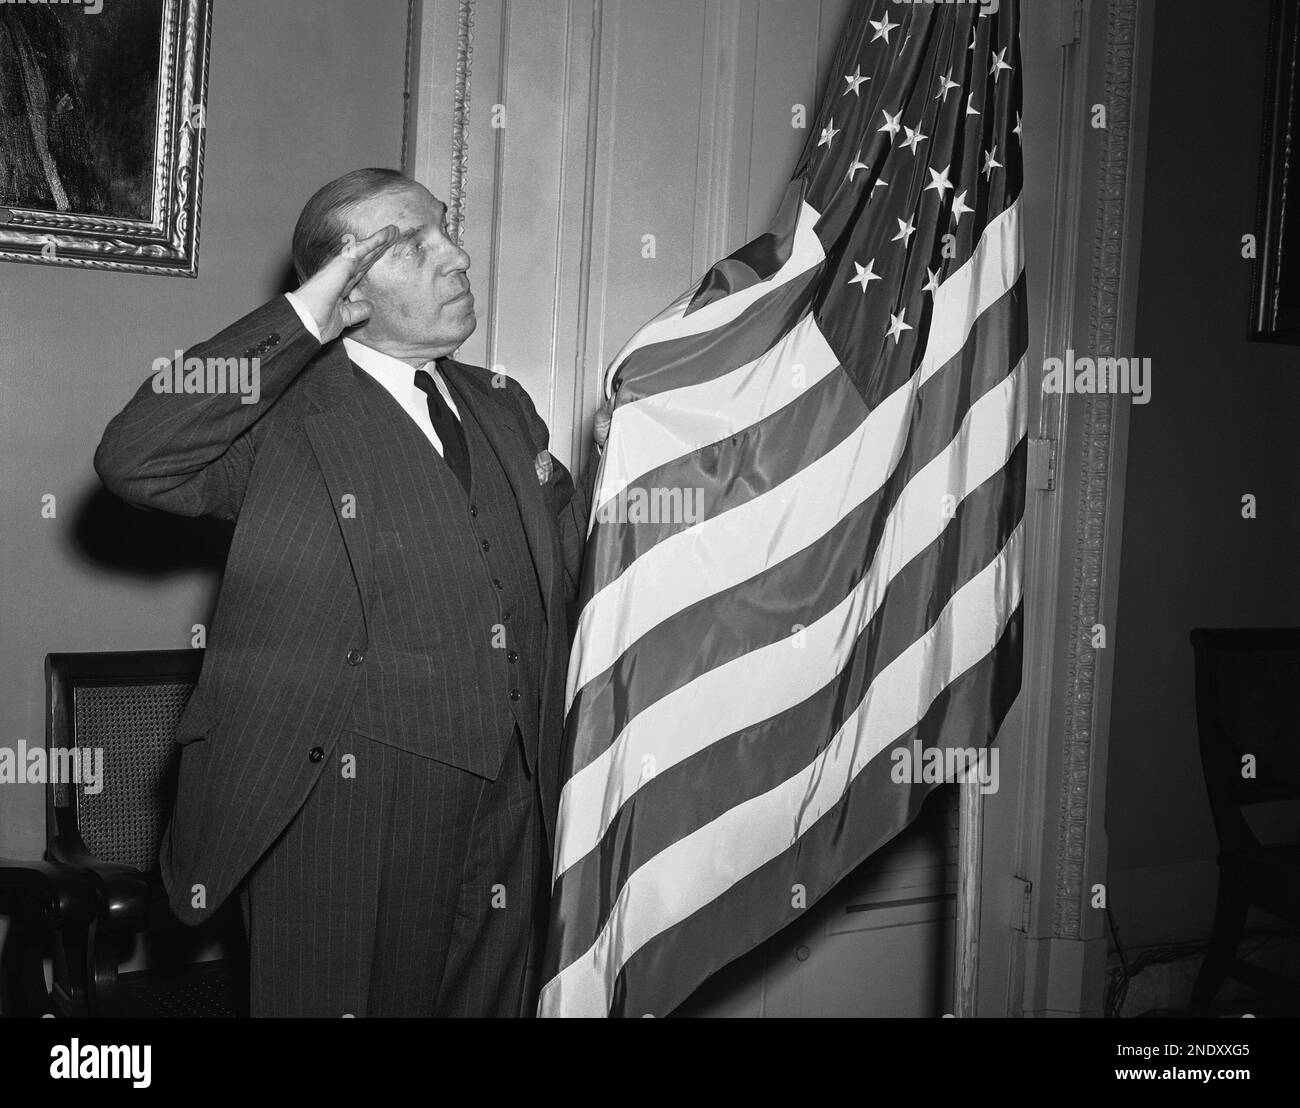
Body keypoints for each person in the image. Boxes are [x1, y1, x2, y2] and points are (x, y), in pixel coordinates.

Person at [94, 167, 609, 1017]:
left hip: (518, 789)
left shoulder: (502, 407)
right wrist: (302, 317)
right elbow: (135, 458)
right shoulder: (282, 415)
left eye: (447, 230)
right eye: (414, 243)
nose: (458, 256)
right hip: (343, 799)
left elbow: (568, 562)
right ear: (349, 281)